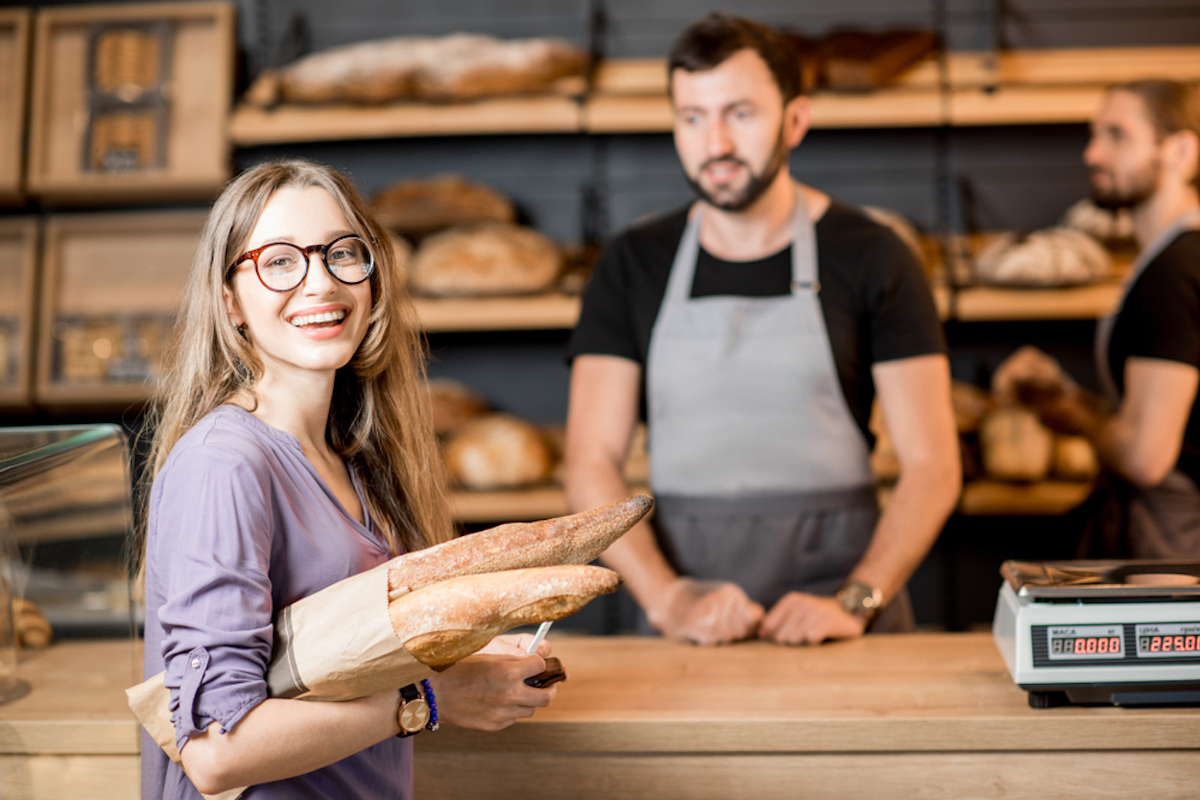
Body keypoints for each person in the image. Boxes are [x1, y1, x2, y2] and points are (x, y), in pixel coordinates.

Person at [137, 159, 559, 800]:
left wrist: (451, 652)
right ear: (231, 301)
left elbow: (324, 657)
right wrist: (430, 696)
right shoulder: (224, 464)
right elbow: (217, 752)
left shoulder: (352, 455)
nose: (321, 283)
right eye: (279, 261)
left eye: (342, 253)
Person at [563, 13, 960, 646]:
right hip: (690, 620)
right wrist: (666, 598)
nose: (715, 142)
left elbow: (933, 465)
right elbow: (589, 463)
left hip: (848, 619)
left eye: (739, 114)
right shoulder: (633, 262)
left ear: (795, 120)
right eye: (692, 117)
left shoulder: (874, 254)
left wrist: (856, 601)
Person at [993, 80, 1200, 559]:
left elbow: (1147, 457)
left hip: (1179, 542)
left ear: (1180, 151)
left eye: (1117, 135)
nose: (1092, 154)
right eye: (1093, 135)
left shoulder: (1172, 271)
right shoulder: (1175, 259)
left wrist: (1073, 413)